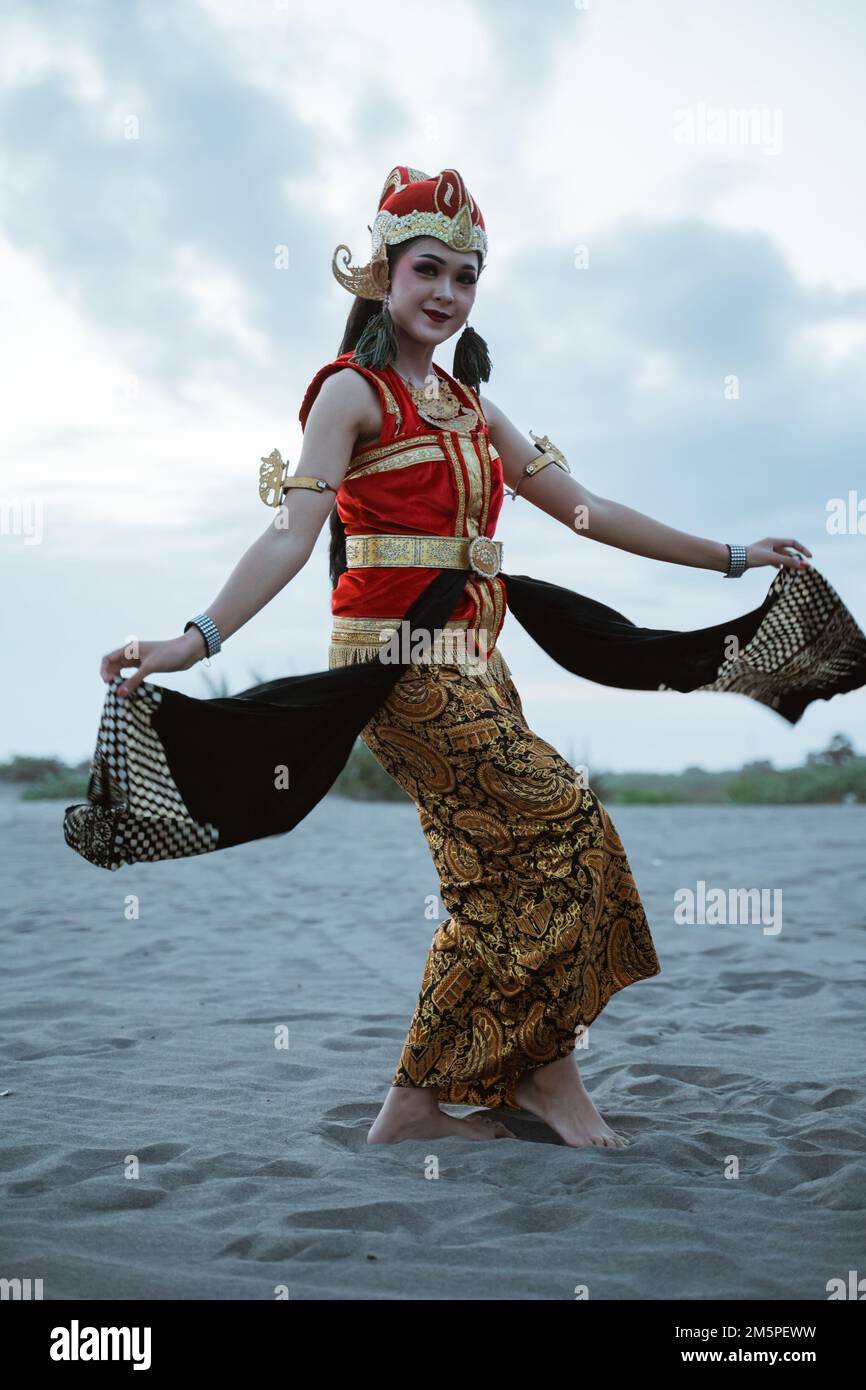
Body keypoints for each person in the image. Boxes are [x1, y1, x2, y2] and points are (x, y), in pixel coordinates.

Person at [67, 166, 866, 1150]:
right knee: (567, 827)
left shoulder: (471, 409)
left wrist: (733, 553)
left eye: (466, 276)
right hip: (400, 666)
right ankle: (539, 1078)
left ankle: (418, 1107)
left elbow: (586, 508)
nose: (445, 293)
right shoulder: (348, 394)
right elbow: (287, 535)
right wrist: (192, 640)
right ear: (382, 278)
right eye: (426, 270)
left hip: (481, 660)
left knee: (493, 883)